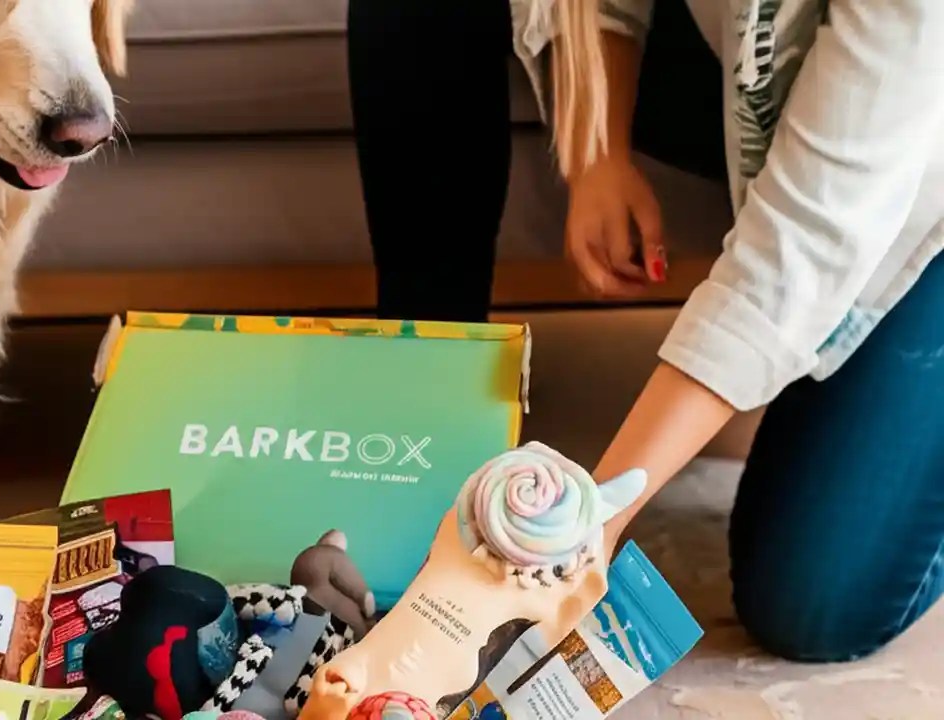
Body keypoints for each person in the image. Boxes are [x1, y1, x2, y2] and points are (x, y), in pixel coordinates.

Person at [347, 0, 944, 663]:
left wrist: (583, 532)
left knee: (817, 606)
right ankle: (420, 439)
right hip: (755, 63)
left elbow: (803, 245)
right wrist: (596, 155)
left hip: (919, 138)